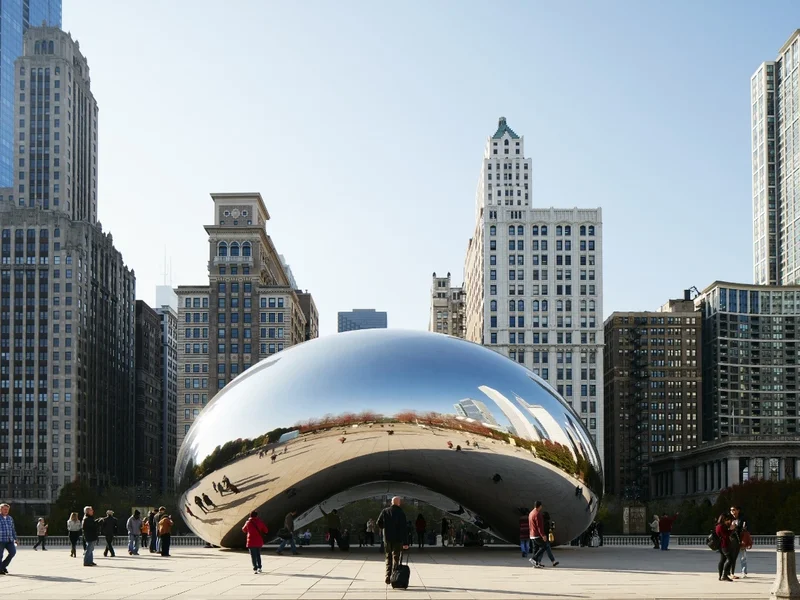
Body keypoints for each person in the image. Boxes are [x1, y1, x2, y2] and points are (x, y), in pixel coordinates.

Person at [377, 496, 408, 585]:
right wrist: (405, 542)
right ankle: (394, 576)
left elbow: (378, 523)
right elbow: (404, 528)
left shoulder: (385, 511)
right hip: (398, 539)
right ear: (399, 503)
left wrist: (385, 528)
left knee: (388, 557)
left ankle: (387, 576)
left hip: (387, 538)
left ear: (391, 502)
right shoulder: (401, 513)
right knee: (396, 557)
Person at [730, 506, 749, 578]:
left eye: (734, 510)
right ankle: (731, 572)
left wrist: (736, 527)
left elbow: (745, 529)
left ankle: (744, 572)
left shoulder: (742, 519)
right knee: (731, 557)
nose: (732, 512)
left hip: (741, 540)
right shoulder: (730, 519)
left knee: (743, 557)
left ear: (738, 510)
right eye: (731, 510)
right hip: (732, 540)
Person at [528, 501, 548, 568]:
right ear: (540, 506)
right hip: (537, 534)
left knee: (535, 549)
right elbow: (539, 526)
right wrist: (543, 535)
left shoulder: (531, 513)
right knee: (544, 546)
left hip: (532, 534)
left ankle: (536, 563)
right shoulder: (537, 514)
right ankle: (534, 558)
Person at [715, 513, 734, 582]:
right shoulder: (720, 526)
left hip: (722, 545)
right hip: (724, 545)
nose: (729, 521)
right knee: (730, 560)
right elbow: (725, 536)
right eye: (728, 520)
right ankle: (724, 575)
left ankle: (720, 576)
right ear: (724, 519)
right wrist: (731, 530)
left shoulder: (719, 526)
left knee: (722, 560)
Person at [0, 503, 17, 575]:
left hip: (9, 540)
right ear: (0, 509)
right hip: (1, 540)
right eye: (5, 509)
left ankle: (2, 567)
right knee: (0, 555)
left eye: (7, 509)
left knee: (13, 552)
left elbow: (12, 529)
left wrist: (15, 538)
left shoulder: (10, 518)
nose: (6, 511)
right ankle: (1, 569)